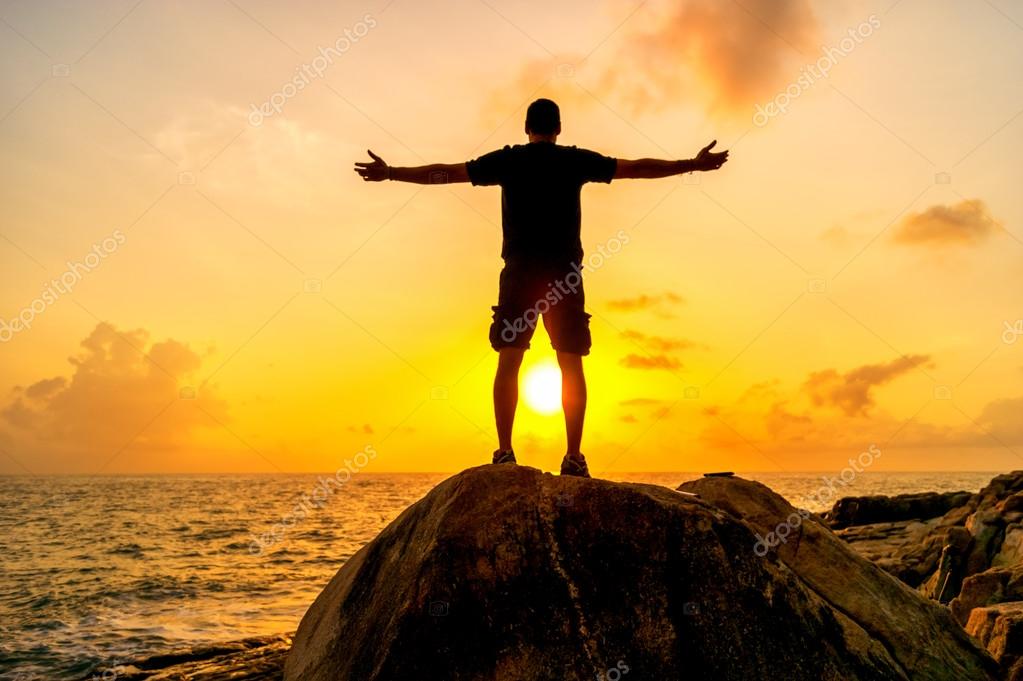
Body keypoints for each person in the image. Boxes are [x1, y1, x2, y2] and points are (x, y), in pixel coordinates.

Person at [354, 98, 728, 477]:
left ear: (526, 129)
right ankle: (574, 457)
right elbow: (636, 168)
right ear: (559, 128)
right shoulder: (574, 160)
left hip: (520, 273)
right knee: (570, 363)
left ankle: (504, 452)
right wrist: (691, 165)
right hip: (564, 274)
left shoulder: (509, 160)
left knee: (509, 359)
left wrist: (392, 173)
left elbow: (447, 173)